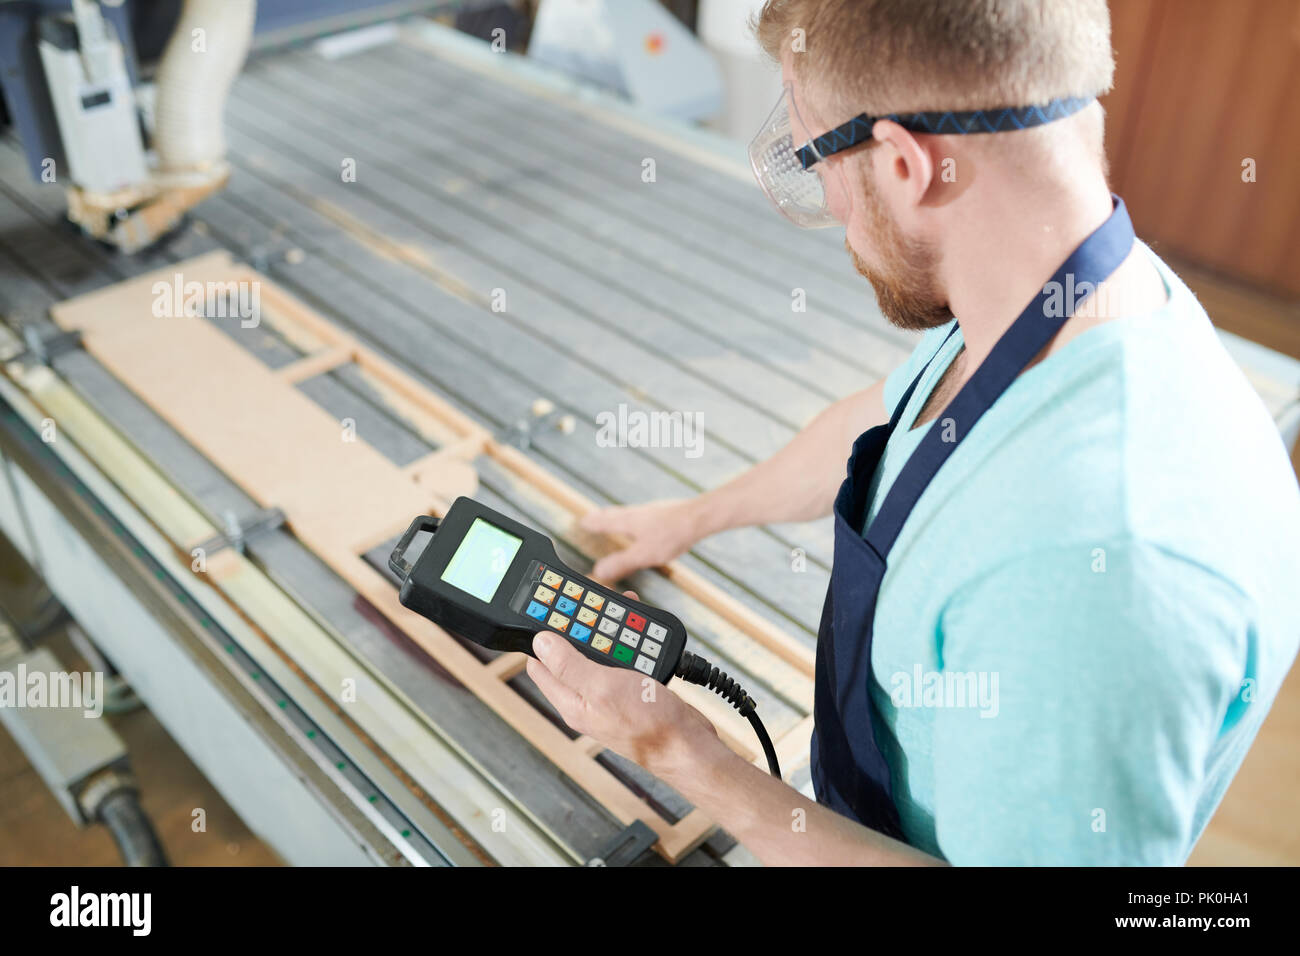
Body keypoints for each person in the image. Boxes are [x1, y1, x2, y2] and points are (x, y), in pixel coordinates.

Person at [525, 0, 1300, 865]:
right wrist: (694, 517)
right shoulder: (1059, 297)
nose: (822, 193)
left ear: (904, 161)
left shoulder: (1095, 565)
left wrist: (689, 760)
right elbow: (891, 420)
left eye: (813, 152)